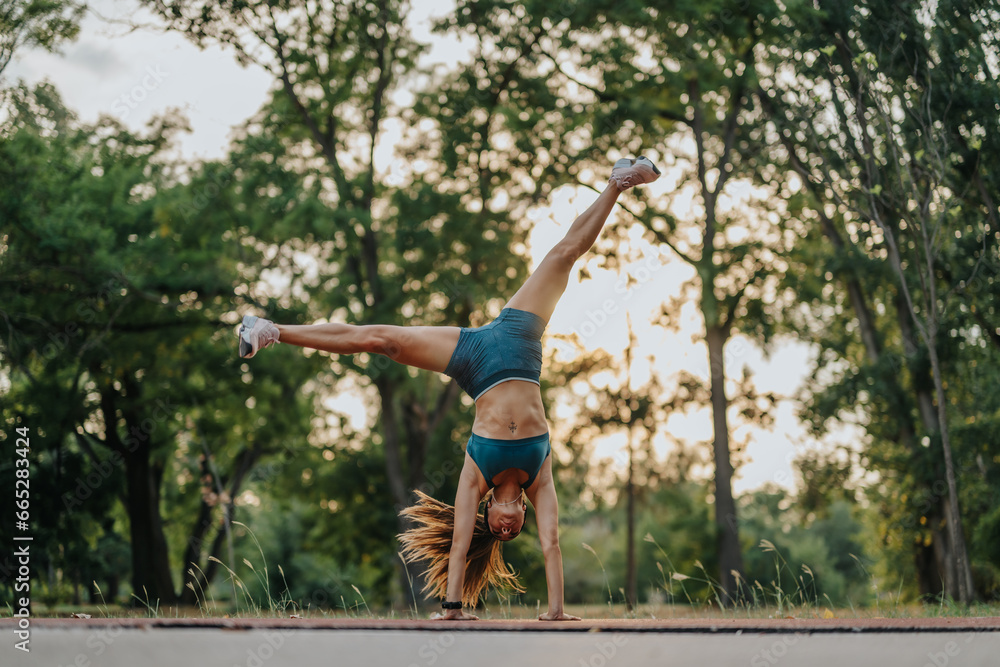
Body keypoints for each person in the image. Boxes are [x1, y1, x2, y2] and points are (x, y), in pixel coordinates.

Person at [237, 156, 661, 620]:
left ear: (488, 517)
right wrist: (555, 611)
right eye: (513, 532)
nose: (506, 531)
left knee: (383, 342)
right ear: (519, 515)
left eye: (498, 534)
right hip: (518, 340)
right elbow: (553, 543)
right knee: (561, 256)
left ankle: (268, 329)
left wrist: (452, 608)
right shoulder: (540, 480)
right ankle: (619, 183)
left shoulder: (475, 476)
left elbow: (460, 544)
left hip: (476, 363)